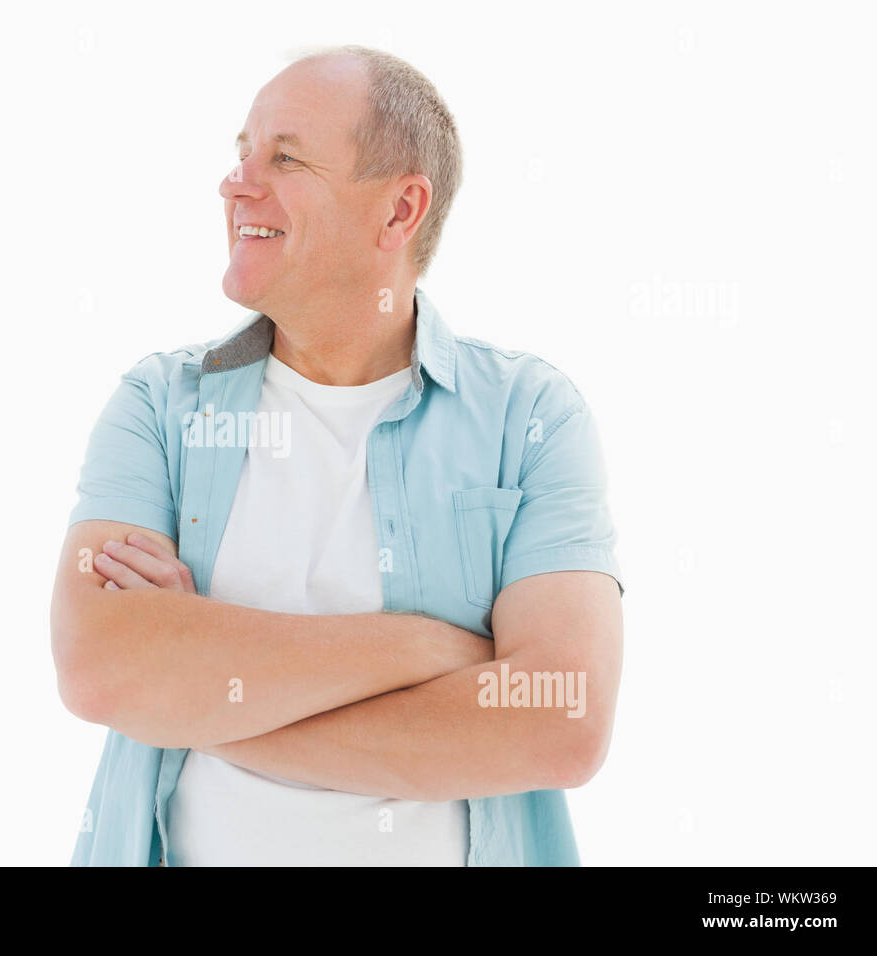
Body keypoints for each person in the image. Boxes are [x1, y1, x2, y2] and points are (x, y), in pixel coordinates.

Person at [51, 45, 624, 866]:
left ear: (398, 213)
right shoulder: (158, 407)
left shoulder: (529, 418)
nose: (237, 182)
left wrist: (204, 704)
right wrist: (428, 650)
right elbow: (100, 670)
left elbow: (559, 720)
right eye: (241, 151)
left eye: (285, 157)